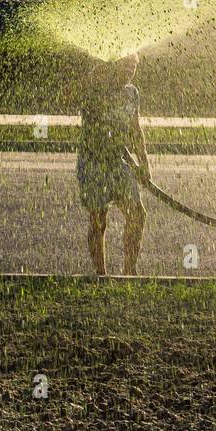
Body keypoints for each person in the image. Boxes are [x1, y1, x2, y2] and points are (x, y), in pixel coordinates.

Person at [77, 52, 150, 276]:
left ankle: (130, 270)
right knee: (99, 220)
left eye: (134, 67)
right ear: (113, 66)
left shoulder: (131, 93)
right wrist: (93, 77)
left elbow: (135, 129)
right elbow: (66, 96)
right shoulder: (94, 88)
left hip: (118, 162)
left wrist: (144, 162)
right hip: (92, 163)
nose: (130, 72)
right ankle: (101, 274)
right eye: (126, 66)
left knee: (137, 214)